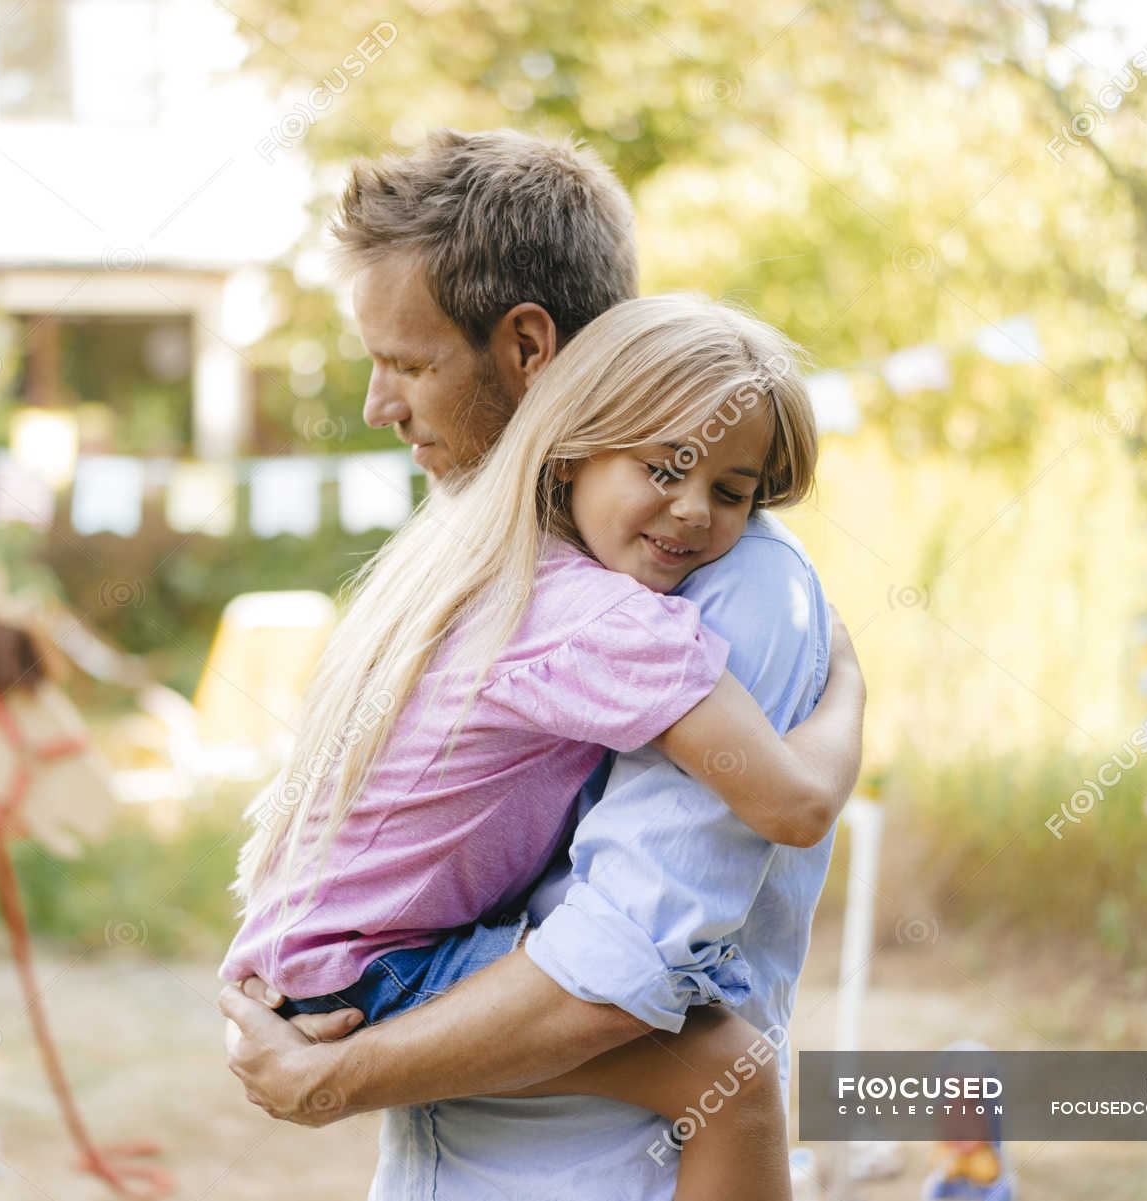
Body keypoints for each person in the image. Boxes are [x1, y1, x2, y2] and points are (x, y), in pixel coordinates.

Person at [219, 128, 864, 1199]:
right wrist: (853, 688)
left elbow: (621, 956)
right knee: (738, 1079)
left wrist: (325, 1066)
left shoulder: (687, 583)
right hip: (380, 1002)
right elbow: (796, 799)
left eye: (407, 363)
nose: (380, 405)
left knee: (732, 1077)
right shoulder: (532, 574)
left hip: (440, 1051)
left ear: (527, 346)